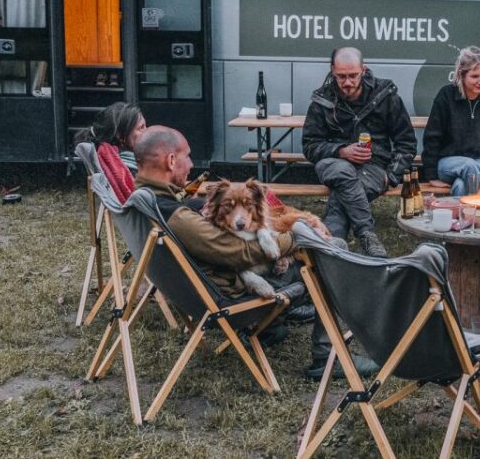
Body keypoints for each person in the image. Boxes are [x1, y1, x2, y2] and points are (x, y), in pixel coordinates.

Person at [132, 126, 378, 380]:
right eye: (188, 156)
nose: (192, 164)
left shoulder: (145, 203)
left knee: (321, 243)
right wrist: (298, 236)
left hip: (202, 292)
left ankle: (270, 328)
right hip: (234, 295)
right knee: (334, 249)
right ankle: (327, 356)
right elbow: (239, 253)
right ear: (171, 160)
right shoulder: (176, 216)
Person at [302, 47, 417, 258]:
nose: (347, 82)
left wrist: (391, 175)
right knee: (342, 170)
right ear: (332, 70)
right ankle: (366, 233)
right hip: (332, 164)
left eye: (353, 75)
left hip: (374, 167)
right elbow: (310, 145)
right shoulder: (322, 100)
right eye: (341, 76)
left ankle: (330, 247)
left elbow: (406, 143)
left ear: (363, 70)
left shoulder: (385, 96)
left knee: (342, 193)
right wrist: (340, 151)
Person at [421, 46, 480, 196]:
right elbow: (433, 136)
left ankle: (464, 211)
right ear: (461, 75)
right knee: (469, 166)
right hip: (449, 162)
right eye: (475, 76)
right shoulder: (446, 95)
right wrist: (431, 175)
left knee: (461, 185)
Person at [75, 101, 146, 203]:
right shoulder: (127, 168)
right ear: (121, 136)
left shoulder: (113, 159)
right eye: (141, 128)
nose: (146, 131)